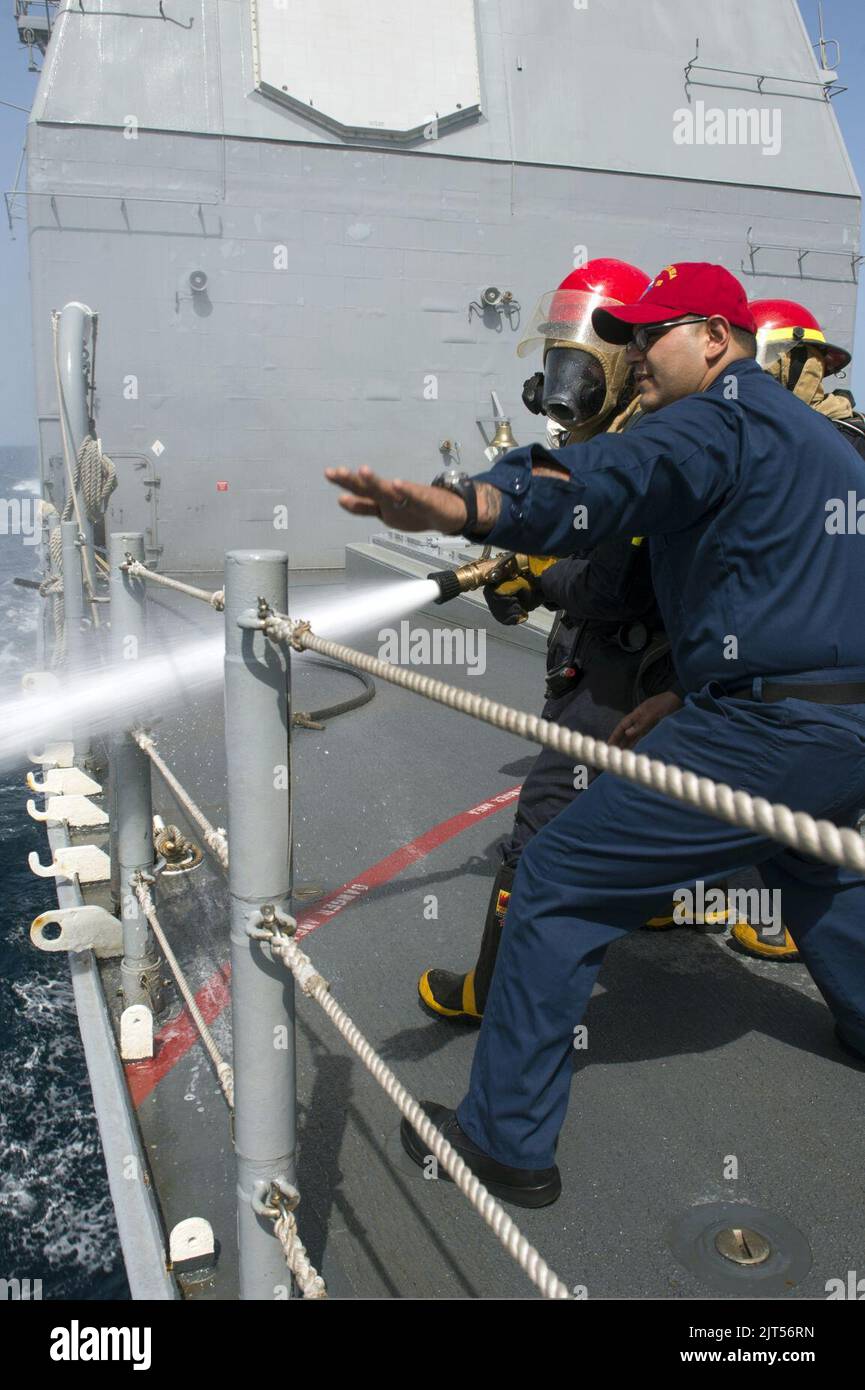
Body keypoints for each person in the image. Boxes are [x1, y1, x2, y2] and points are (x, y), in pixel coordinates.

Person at [326, 262, 865, 1209]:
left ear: (712, 337)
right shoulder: (816, 442)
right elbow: (788, 585)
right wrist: (700, 689)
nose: (630, 354)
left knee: (559, 882)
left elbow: (603, 481)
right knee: (815, 865)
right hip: (839, 721)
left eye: (649, 334)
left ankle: (501, 1145)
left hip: (767, 729)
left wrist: (467, 506)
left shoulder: (716, 418)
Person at [419, 259, 687, 1022]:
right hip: (666, 671)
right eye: (555, 361)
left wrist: (536, 582)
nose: (559, 383)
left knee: (541, 828)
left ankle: (492, 992)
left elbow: (617, 586)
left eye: (578, 362)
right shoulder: (645, 435)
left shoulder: (637, 446)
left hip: (622, 674)